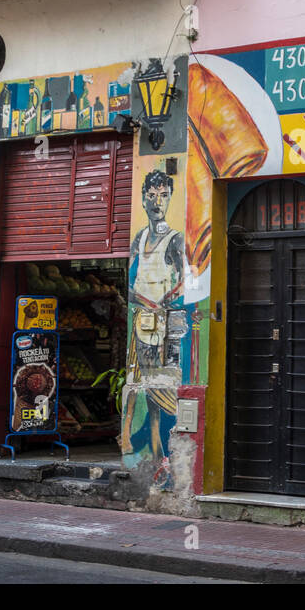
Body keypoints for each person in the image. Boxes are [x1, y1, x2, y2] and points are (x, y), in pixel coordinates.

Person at [123, 169, 184, 459]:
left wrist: (164, 301)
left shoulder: (175, 239)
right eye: (151, 195)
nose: (157, 201)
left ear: (170, 198)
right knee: (136, 382)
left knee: (157, 386)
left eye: (163, 195)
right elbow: (130, 280)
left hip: (161, 322)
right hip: (140, 319)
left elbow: (186, 281)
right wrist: (139, 299)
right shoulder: (139, 237)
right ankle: (127, 438)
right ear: (144, 200)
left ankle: (160, 447)